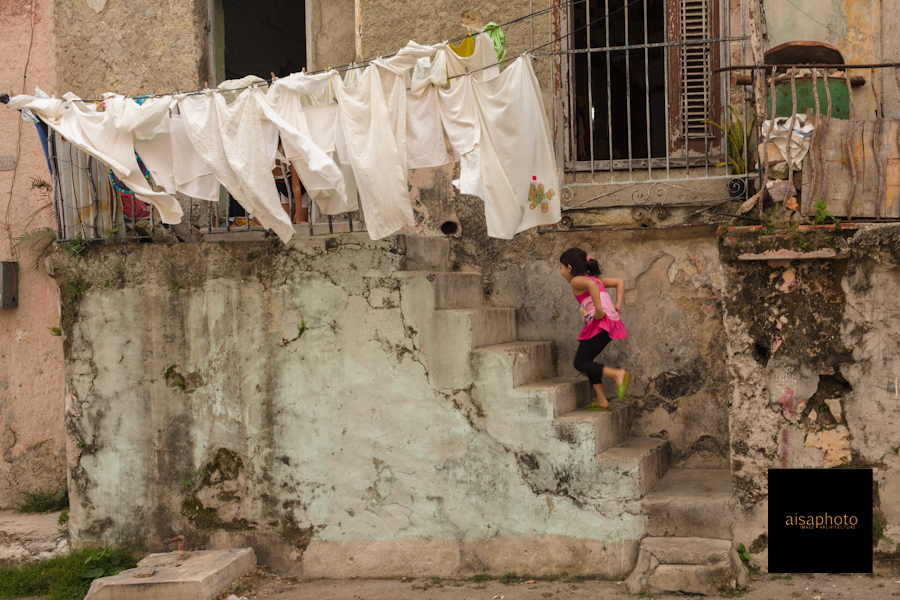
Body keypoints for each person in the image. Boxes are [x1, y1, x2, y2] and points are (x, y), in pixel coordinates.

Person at [559, 248, 630, 410]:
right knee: (587, 362)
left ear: (569, 268)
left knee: (580, 363)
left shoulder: (577, 280)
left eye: (561, 267)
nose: (561, 272)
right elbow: (620, 282)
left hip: (600, 323)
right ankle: (601, 400)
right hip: (610, 324)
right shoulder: (594, 279)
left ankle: (617, 374)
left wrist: (598, 310)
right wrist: (618, 304)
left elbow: (592, 286)